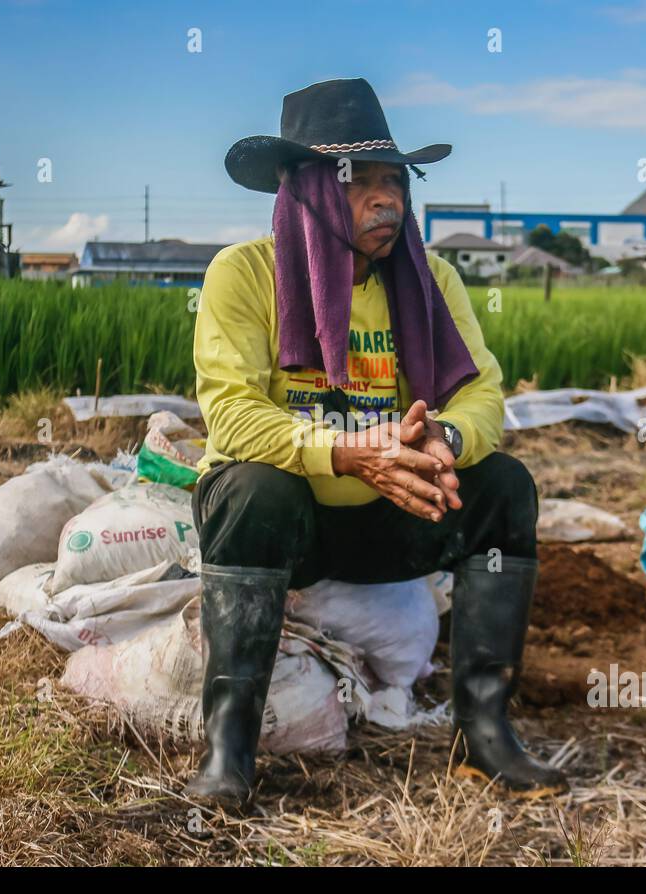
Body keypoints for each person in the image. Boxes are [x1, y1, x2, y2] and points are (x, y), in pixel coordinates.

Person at [188, 77, 565, 809]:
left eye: (395, 181)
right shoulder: (244, 275)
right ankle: (228, 755)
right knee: (250, 486)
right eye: (359, 182)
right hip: (287, 533)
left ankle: (485, 736)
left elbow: (482, 392)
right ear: (307, 191)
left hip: (386, 521)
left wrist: (444, 441)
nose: (385, 199)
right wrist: (355, 452)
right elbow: (231, 415)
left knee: (505, 485)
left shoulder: (432, 281)